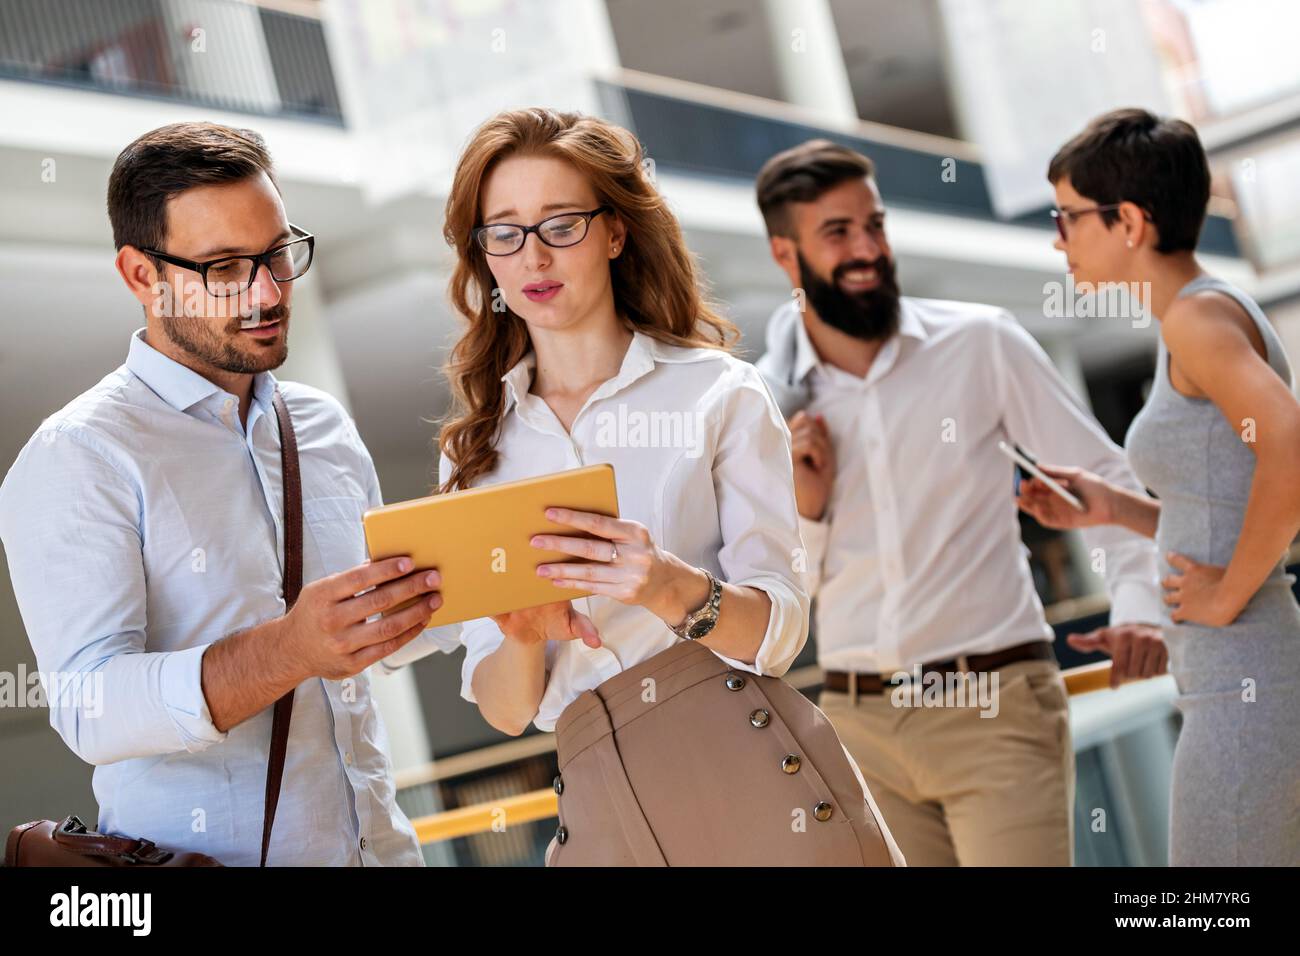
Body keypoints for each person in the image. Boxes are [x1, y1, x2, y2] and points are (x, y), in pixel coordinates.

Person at [434, 107, 903, 866]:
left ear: (615, 232)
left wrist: (667, 586)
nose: (533, 257)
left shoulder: (718, 394)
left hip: (752, 772)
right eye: (505, 231)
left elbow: (781, 632)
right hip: (596, 806)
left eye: (561, 224)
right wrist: (520, 637)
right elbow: (506, 711)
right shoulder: (479, 454)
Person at [0, 122, 455, 865]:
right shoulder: (78, 455)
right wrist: (290, 648)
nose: (268, 291)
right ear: (142, 277)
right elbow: (88, 707)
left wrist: (496, 596)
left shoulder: (322, 425)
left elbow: (381, 636)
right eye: (224, 267)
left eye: (277, 253)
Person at [753, 139, 1167, 866]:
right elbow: (782, 591)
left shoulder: (980, 344)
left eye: (874, 225)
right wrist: (808, 511)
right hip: (858, 724)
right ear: (786, 256)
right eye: (838, 233)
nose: (868, 249)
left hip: (995, 705)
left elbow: (1098, 472)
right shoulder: (766, 402)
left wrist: (1134, 603)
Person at [1021, 108, 1300, 865]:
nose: (1058, 238)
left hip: (1247, 681)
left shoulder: (1198, 320)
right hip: (1233, 681)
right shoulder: (1198, 315)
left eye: (1069, 216)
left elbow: (1292, 448)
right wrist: (1113, 509)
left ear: (1131, 221)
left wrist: (1228, 592)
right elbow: (1223, 500)